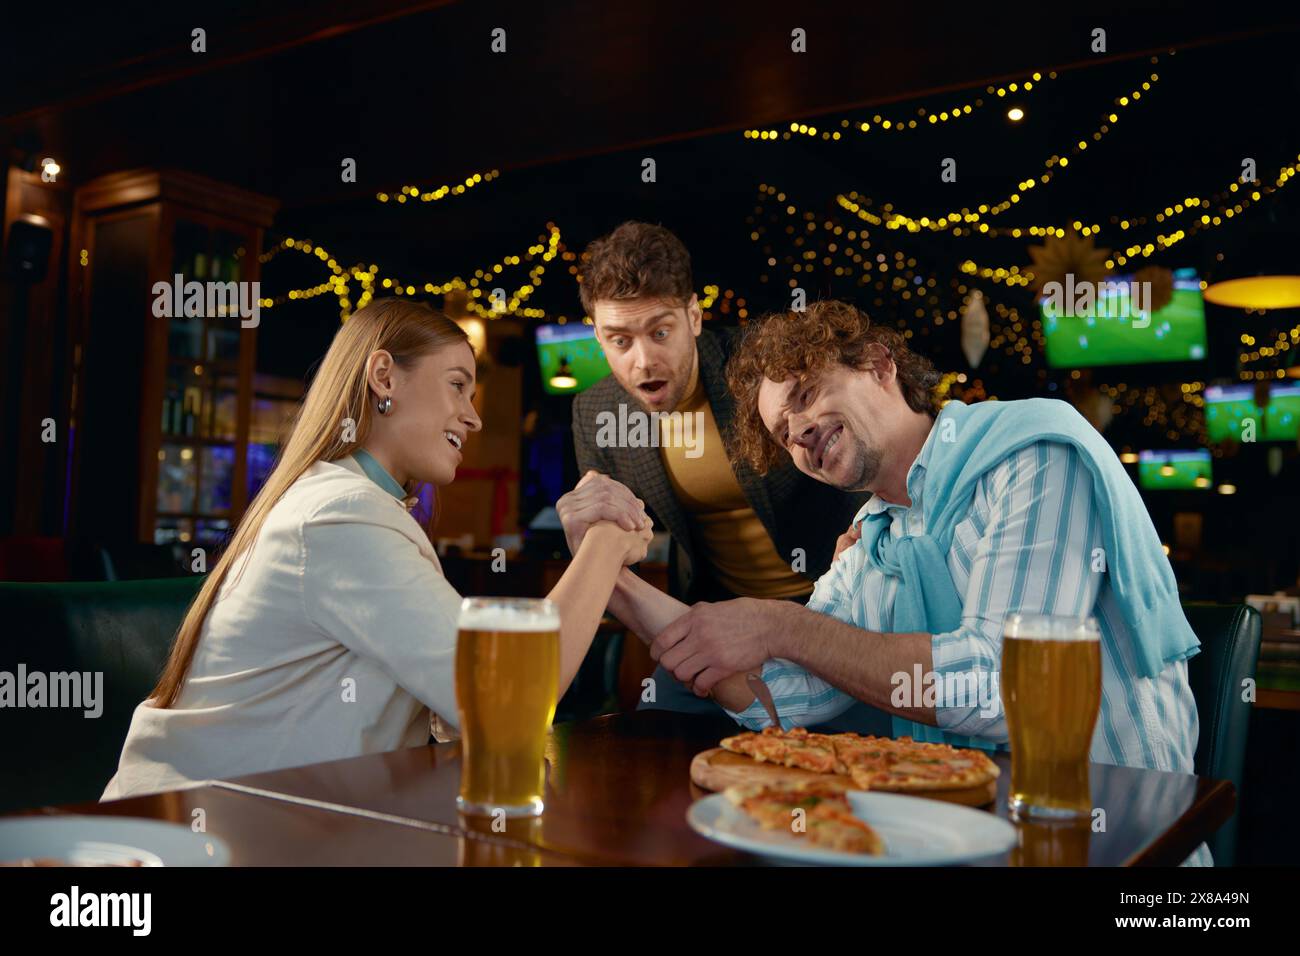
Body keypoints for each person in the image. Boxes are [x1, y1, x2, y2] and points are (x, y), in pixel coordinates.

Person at [563, 298, 1210, 864]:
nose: (801, 434)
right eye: (784, 434)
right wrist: (607, 574)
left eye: (808, 395)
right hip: (953, 841)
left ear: (879, 364)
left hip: (1120, 838)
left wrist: (780, 623)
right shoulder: (871, 544)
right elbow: (777, 698)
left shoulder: (1032, 454)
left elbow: (1004, 683)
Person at [103, 300, 651, 800]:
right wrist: (604, 544)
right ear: (384, 377)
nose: (473, 415)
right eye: (457, 385)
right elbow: (505, 697)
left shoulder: (351, 503)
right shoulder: (341, 515)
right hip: (188, 837)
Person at [557, 222, 867, 714]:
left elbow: (858, 457)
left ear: (695, 316)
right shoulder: (597, 413)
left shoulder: (763, 368)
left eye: (661, 332)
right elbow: (612, 541)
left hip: (832, 612)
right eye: (620, 341)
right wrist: (591, 527)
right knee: (655, 742)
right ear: (597, 336)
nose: (643, 361)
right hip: (713, 619)